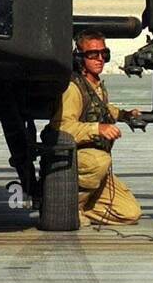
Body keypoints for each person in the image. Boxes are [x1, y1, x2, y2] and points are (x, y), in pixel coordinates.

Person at [48, 30, 143, 226]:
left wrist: (125, 115)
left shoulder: (95, 85)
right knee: (99, 160)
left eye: (104, 54)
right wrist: (96, 129)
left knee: (129, 213)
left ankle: (82, 206)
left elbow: (100, 108)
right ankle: (66, 206)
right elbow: (61, 127)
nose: (100, 59)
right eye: (93, 54)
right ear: (79, 57)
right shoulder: (73, 88)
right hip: (77, 159)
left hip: (95, 167)